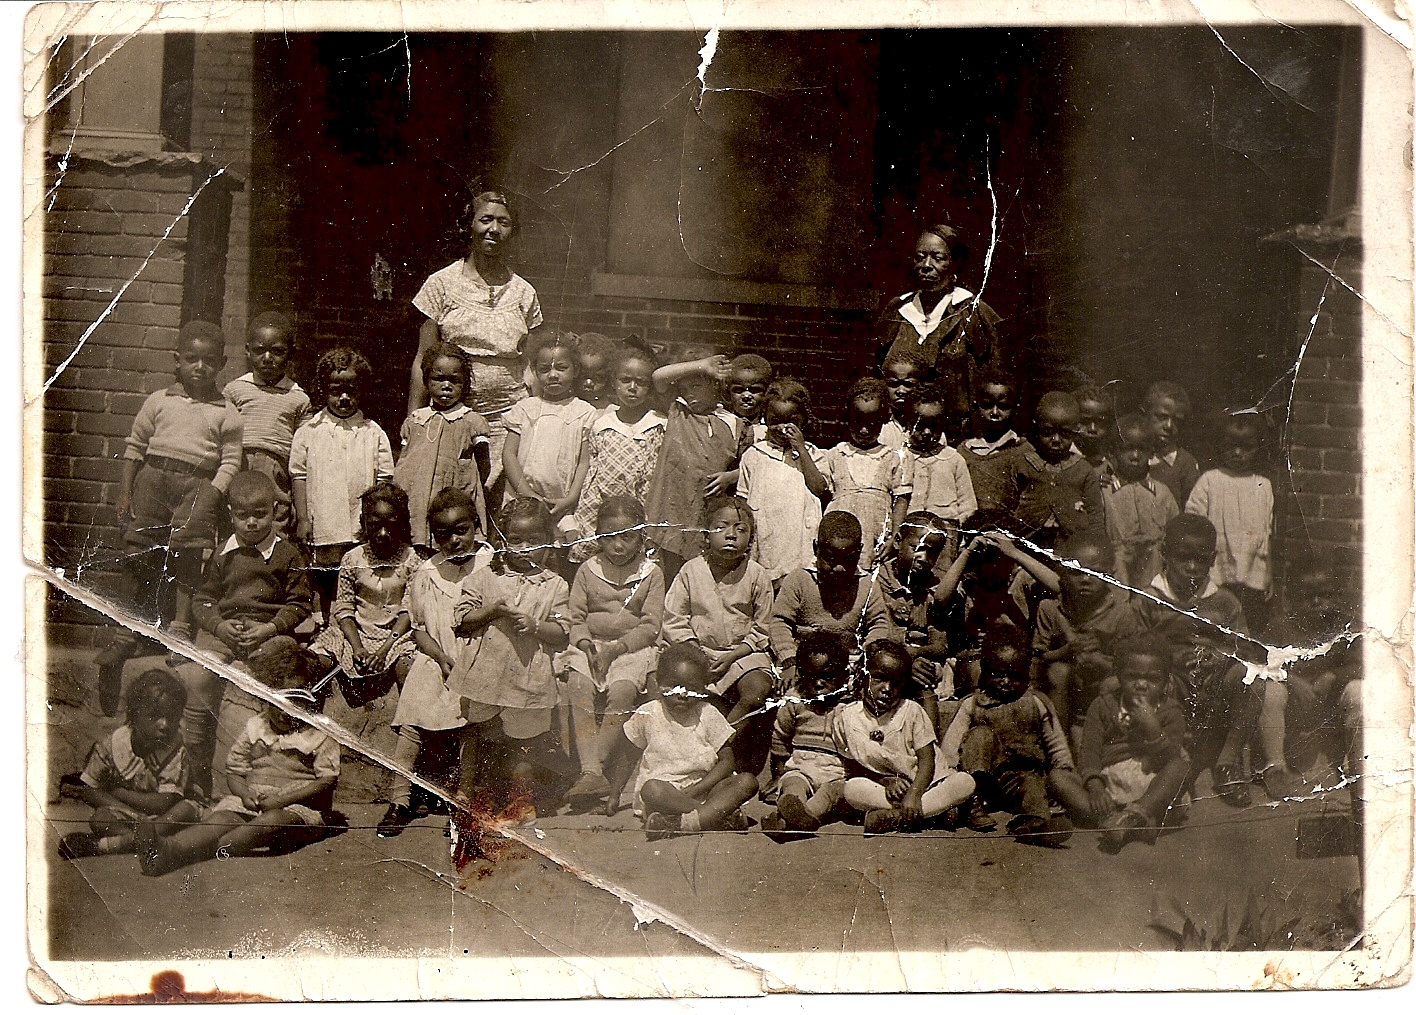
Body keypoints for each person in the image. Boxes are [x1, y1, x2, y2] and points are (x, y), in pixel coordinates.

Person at [96, 320, 244, 713]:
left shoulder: (227, 413)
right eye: (191, 359)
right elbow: (135, 447)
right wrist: (126, 492)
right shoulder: (159, 400)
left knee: (188, 557)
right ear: (177, 360)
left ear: (221, 364)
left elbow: (230, 461)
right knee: (137, 554)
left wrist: (212, 494)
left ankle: (179, 630)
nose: (200, 367)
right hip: (153, 482)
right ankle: (125, 631)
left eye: (208, 361)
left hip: (196, 487)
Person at [136, 638, 339, 876]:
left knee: (270, 822)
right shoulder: (258, 727)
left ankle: (199, 850)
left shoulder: (318, 735)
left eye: (297, 704)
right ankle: (168, 849)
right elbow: (234, 769)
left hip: (298, 808)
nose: (285, 713)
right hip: (254, 801)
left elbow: (326, 780)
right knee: (220, 819)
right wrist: (244, 794)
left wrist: (282, 800)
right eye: (278, 703)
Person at [184, 471, 313, 798]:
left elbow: (300, 604)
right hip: (226, 630)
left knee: (277, 662)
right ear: (231, 514)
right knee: (199, 676)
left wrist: (270, 627)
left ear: (275, 511)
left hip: (268, 632)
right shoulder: (223, 553)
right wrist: (219, 625)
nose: (252, 523)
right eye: (243, 516)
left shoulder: (288, 554)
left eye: (260, 514)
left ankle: (264, 770)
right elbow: (203, 600)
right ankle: (196, 768)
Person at [408, 191, 543, 497]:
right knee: (451, 498)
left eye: (504, 222)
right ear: (469, 226)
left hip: (509, 419)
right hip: (452, 413)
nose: (494, 229)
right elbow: (422, 360)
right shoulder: (441, 285)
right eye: (486, 220)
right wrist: (414, 418)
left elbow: (531, 366)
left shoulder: (524, 292)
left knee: (503, 501)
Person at [379, 489, 493, 838]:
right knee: (413, 717)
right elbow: (419, 629)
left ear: (475, 525)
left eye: (461, 530)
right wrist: (441, 659)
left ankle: (463, 802)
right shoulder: (427, 572)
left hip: (480, 659)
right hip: (439, 656)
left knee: (470, 723)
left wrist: (470, 661)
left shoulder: (490, 563)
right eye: (443, 535)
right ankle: (399, 799)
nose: (454, 541)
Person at [450, 498, 573, 815]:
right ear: (501, 541)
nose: (524, 548)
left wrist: (536, 626)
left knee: (524, 740)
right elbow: (461, 621)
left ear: (548, 542)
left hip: (527, 675)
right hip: (487, 673)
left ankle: (520, 798)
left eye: (534, 540)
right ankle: (472, 791)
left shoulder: (555, 585)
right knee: (480, 731)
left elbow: (562, 633)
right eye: (515, 540)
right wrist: (491, 611)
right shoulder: (484, 578)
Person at [1132, 513, 1260, 808]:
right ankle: (1172, 763)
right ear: (1165, 555)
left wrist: (1221, 655)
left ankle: (1227, 761)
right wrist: (1168, 660)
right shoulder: (1148, 599)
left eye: (1201, 560)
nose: (1192, 567)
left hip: (1212, 687)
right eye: (1183, 558)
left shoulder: (1225, 602)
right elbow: (1134, 649)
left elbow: (1245, 647)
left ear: (1212, 559)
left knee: (1251, 678)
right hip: (1169, 687)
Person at [560, 497, 666, 813]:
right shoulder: (587, 570)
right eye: (609, 537)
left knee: (622, 691)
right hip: (589, 645)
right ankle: (592, 772)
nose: (617, 546)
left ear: (641, 537)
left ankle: (596, 768)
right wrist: (586, 645)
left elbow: (650, 625)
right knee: (578, 685)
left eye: (627, 537)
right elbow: (576, 617)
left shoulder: (651, 573)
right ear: (598, 536)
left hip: (630, 648)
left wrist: (616, 649)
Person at [940, 633, 1088, 845]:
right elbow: (951, 748)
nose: (1005, 682)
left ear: (1026, 673)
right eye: (997, 674)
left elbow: (1056, 745)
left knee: (1033, 785)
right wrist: (951, 782)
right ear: (985, 670)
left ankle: (1034, 824)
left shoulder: (1035, 703)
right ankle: (970, 806)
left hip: (1018, 778)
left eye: (1014, 675)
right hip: (980, 784)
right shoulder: (973, 704)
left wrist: (1063, 773)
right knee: (980, 735)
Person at [608, 642, 759, 839]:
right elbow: (628, 757)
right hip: (666, 795)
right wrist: (614, 795)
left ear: (703, 689)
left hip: (706, 789)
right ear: (659, 684)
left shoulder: (708, 713)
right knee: (651, 789)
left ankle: (685, 823)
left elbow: (726, 761)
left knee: (747, 781)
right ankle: (716, 817)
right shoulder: (649, 713)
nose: (682, 695)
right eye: (674, 686)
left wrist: (697, 789)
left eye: (692, 688)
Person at [290, 347, 395, 619]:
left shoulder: (373, 432)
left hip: (358, 523)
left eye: (352, 391)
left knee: (356, 571)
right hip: (323, 519)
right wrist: (303, 518)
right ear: (324, 390)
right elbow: (298, 475)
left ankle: (353, 619)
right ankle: (322, 619)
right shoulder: (309, 432)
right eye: (336, 391)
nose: (344, 398)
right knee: (324, 573)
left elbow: (384, 479)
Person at [832, 641, 977, 835]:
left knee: (964, 783)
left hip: (926, 784)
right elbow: (852, 765)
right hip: (890, 790)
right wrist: (885, 780)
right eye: (879, 678)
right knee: (852, 789)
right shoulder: (847, 717)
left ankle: (895, 817)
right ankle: (932, 814)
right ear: (863, 675)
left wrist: (914, 794)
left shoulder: (911, 711)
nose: (887, 688)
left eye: (896, 682)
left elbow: (927, 760)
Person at [873, 224, 1001, 437]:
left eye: (938, 258)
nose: (926, 265)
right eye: (920, 257)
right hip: (897, 432)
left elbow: (993, 376)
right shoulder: (898, 310)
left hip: (954, 435)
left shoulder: (972, 313)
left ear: (955, 264)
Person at [57, 669, 197, 860]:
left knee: (185, 810)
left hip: (164, 817)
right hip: (129, 815)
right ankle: (145, 842)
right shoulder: (114, 744)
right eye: (155, 716)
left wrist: (120, 793)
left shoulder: (175, 749)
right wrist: (130, 811)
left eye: (172, 717)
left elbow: (164, 801)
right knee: (100, 818)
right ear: (135, 715)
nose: (164, 724)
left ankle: (110, 845)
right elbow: (89, 789)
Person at [662, 495, 776, 729]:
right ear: (706, 535)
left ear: (751, 540)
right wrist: (697, 652)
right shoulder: (691, 571)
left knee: (757, 690)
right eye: (721, 527)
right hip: (696, 651)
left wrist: (732, 656)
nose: (731, 535)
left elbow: (763, 627)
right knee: (678, 682)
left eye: (740, 529)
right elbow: (674, 618)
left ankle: (723, 742)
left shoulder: (756, 575)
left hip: (742, 655)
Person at [309, 482, 420, 710]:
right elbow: (344, 608)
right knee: (315, 660)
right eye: (375, 525)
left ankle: (410, 723)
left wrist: (383, 651)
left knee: (410, 665)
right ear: (363, 523)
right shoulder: (352, 558)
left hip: (396, 637)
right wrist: (358, 648)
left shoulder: (411, 560)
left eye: (391, 526)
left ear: (403, 524)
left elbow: (408, 610)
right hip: (356, 634)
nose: (383, 534)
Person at [1077, 637, 1190, 853]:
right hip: (1110, 785)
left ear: (1166, 681)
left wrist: (1153, 727)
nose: (1141, 684)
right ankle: (1124, 823)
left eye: (1153, 679)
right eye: (1132, 676)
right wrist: (1096, 788)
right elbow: (1089, 751)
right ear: (1118, 676)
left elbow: (1169, 758)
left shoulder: (1171, 711)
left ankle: (1132, 817)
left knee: (1179, 767)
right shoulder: (1102, 705)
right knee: (1060, 780)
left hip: (1152, 786)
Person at [1031, 532, 1144, 742]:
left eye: (1095, 573)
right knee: (1058, 672)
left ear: (1110, 574)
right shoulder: (1051, 609)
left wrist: (1097, 660)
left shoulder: (1121, 613)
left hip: (1101, 685)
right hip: (1062, 691)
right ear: (1063, 572)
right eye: (1076, 572)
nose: (1085, 580)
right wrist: (1066, 651)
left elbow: (1130, 666)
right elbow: (1038, 658)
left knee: (1111, 684)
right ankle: (1057, 741)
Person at [935, 509, 1061, 694]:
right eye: (987, 559)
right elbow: (940, 598)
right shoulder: (970, 583)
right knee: (975, 670)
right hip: (981, 662)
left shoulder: (1020, 580)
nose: (994, 565)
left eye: (999, 557)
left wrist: (1014, 552)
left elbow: (1059, 587)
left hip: (1019, 657)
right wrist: (968, 551)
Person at [643, 347, 740, 581]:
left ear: (715, 385)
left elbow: (750, 465)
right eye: (684, 389)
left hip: (708, 507)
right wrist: (702, 365)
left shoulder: (733, 422)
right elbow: (658, 377)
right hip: (675, 504)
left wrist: (730, 477)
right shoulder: (678, 411)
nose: (689, 395)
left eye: (696, 386)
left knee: (703, 570)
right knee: (671, 567)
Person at [567, 339, 666, 563]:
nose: (632, 387)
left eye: (641, 382)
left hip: (641, 503)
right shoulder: (601, 422)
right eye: (625, 380)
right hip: (601, 502)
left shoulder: (659, 423)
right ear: (614, 382)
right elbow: (592, 469)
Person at [769, 512, 892, 687]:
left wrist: (867, 657)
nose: (839, 568)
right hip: (802, 662)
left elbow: (879, 624)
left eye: (848, 559)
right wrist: (789, 659)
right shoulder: (799, 580)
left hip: (851, 663)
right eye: (830, 558)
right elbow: (780, 622)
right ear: (815, 549)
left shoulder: (867, 585)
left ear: (859, 552)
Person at [395, 342, 491, 553]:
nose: (446, 386)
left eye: (454, 380)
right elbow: (404, 461)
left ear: (465, 385)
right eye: (438, 379)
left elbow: (484, 464)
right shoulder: (416, 420)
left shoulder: (470, 421)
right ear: (426, 381)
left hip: (454, 495)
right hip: (418, 495)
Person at [223, 312, 311, 536]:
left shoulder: (298, 398)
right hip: (239, 463)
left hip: (277, 468)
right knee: (235, 520)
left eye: (278, 351)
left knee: (275, 521)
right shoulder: (235, 390)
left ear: (290, 353)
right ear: (247, 350)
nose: (268, 358)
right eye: (259, 350)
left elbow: (303, 448)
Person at [502, 331, 598, 537]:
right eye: (545, 369)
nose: (553, 375)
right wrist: (529, 495)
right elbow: (509, 454)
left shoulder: (584, 412)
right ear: (534, 372)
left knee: (566, 544)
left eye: (561, 368)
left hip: (562, 505)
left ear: (575, 370)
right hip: (523, 500)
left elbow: (584, 462)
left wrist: (570, 499)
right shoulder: (525, 409)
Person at [1185, 414, 1274, 633]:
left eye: (1246, 447)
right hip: (1216, 573)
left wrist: (1269, 573)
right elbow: (1193, 523)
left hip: (1252, 576)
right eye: (1231, 446)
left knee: (1249, 629)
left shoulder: (1263, 485)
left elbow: (1267, 534)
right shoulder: (1210, 480)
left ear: (1258, 448)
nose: (1237, 453)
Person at [737, 379, 831, 583]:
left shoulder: (814, 454)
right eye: (775, 420)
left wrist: (801, 449)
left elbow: (819, 488)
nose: (782, 428)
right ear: (765, 417)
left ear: (803, 421)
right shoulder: (755, 455)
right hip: (767, 534)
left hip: (799, 535)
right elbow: (743, 501)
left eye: (791, 422)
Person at [761, 632, 852, 838]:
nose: (818, 683)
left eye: (827, 676)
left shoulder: (850, 705)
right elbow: (780, 737)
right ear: (800, 675)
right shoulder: (795, 700)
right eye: (811, 676)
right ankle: (794, 811)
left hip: (837, 773)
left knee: (833, 793)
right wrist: (777, 775)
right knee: (793, 785)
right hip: (801, 766)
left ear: (844, 676)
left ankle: (792, 820)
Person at [874, 512, 955, 732]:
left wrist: (916, 654)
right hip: (883, 660)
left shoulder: (934, 590)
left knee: (925, 689)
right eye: (918, 548)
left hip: (920, 664)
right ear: (898, 541)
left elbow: (940, 645)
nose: (924, 558)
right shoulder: (877, 582)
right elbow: (876, 636)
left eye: (933, 553)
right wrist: (906, 658)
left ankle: (930, 744)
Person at [823, 377, 911, 568]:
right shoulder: (835, 454)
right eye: (857, 422)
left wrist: (894, 536)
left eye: (872, 423)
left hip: (876, 528)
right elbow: (821, 491)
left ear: (884, 420)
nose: (863, 430)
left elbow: (902, 498)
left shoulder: (893, 457)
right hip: (839, 530)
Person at [1099, 413, 1179, 589]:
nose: (1135, 456)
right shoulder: (1105, 491)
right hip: (1115, 566)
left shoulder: (1162, 493)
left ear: (1151, 453)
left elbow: (1175, 531)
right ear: (1112, 452)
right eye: (1127, 449)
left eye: (1142, 449)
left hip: (1154, 568)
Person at [1015, 390, 1104, 549]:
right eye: (1048, 432)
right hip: (1026, 547)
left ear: (1075, 431)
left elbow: (1095, 516)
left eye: (1065, 434)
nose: (1056, 440)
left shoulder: (1083, 470)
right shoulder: (1022, 464)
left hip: (1070, 548)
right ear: (1036, 427)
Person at [957, 373, 1031, 516]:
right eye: (987, 405)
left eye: (1004, 406)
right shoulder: (963, 452)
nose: (995, 413)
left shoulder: (1023, 450)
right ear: (976, 406)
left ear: (1015, 408)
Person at [901, 386, 977, 524]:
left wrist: (960, 526)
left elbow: (967, 503)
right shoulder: (900, 458)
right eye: (920, 425)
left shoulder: (954, 459)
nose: (927, 432)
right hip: (909, 529)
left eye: (934, 426)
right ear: (907, 423)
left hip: (947, 527)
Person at [1141, 381, 1200, 507]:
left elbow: (1191, 510)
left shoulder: (1185, 464)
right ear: (1144, 414)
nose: (1168, 426)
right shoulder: (1129, 454)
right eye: (1162, 417)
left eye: (1177, 421)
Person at [877, 349, 931, 451]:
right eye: (893, 384)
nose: (901, 391)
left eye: (908, 384)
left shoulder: (929, 426)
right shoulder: (878, 425)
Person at [573, 331, 617, 412]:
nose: (588, 383)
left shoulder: (612, 412)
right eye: (582, 376)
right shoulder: (567, 407)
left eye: (598, 377)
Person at [1073, 384, 1114, 470]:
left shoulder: (1112, 464)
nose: (1093, 429)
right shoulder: (1063, 460)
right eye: (1085, 421)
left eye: (1100, 422)